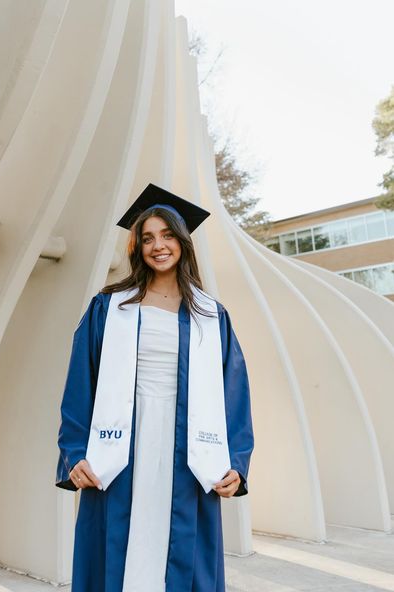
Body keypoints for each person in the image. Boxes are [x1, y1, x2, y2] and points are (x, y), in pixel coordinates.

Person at [56, 183, 254, 592]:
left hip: (190, 448)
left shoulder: (211, 316)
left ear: (183, 242)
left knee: (182, 548)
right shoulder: (109, 308)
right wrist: (74, 451)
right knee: (119, 545)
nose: (157, 246)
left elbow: (233, 392)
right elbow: (81, 384)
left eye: (167, 235)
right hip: (121, 443)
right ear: (137, 247)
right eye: (147, 238)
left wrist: (237, 461)